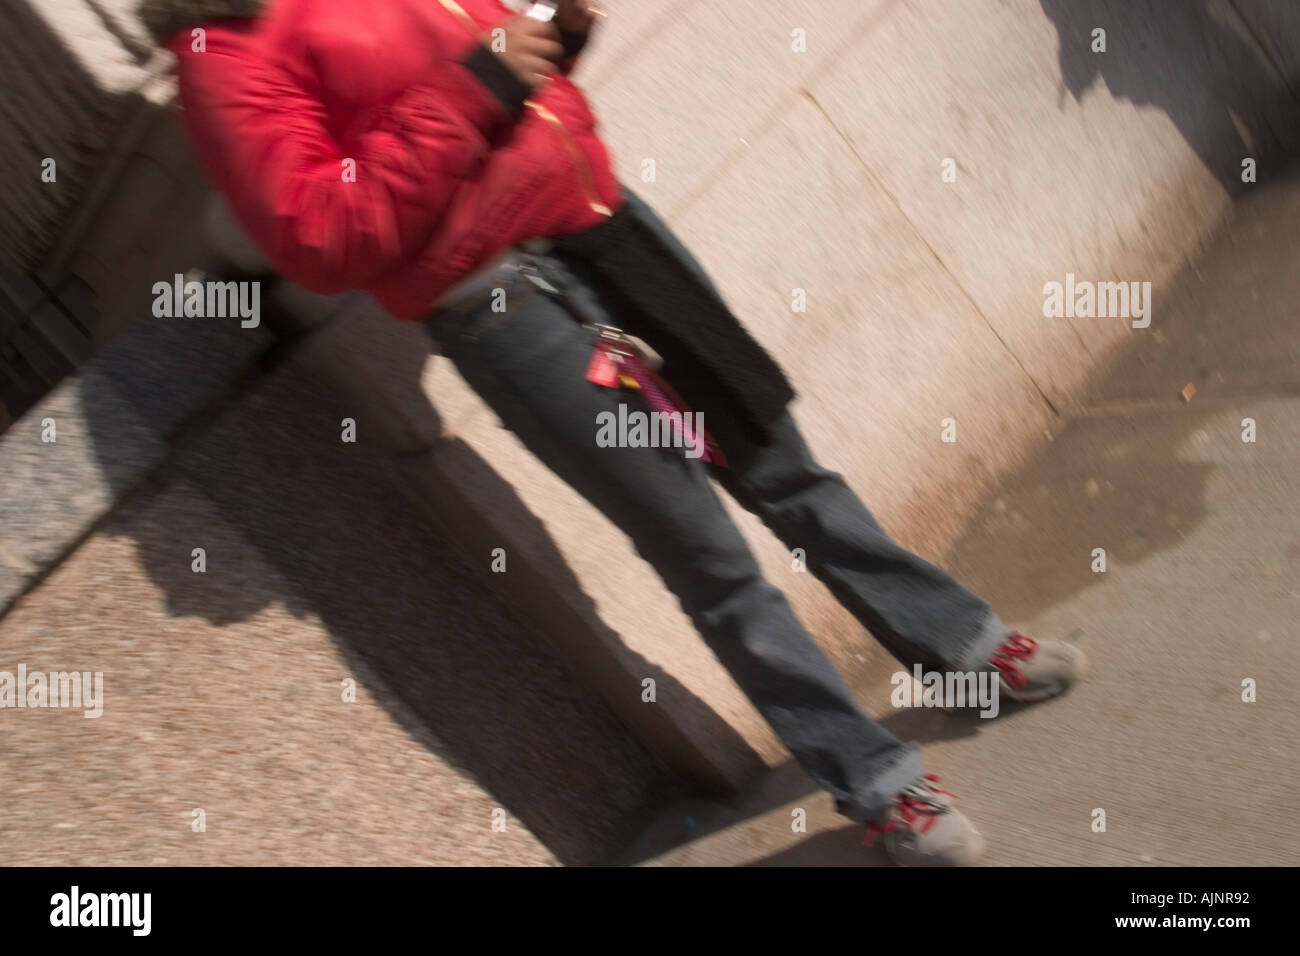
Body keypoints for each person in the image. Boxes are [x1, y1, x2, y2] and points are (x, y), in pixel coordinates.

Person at [142, 0, 1088, 865]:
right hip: (506, 309)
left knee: (783, 467)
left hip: (608, 228)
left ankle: (963, 647)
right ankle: (883, 786)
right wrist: (475, 85)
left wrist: (556, 38)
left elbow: (509, 78)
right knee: (707, 558)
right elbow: (323, 232)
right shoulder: (220, 52)